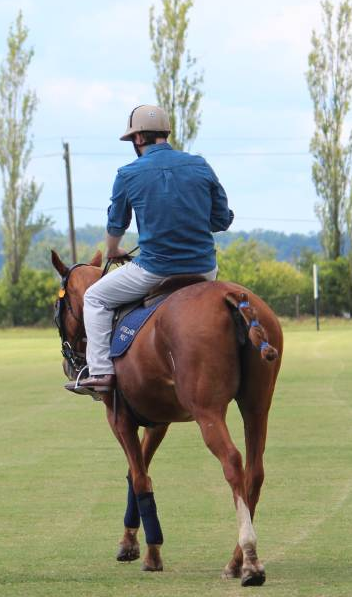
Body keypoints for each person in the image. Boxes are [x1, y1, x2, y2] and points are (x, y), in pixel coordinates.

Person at [66, 104, 233, 396]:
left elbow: (116, 224)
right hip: (204, 269)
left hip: (155, 270)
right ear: (165, 133)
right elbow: (222, 220)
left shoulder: (128, 173)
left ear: (139, 137)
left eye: (133, 139)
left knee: (94, 298)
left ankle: (101, 372)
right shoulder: (200, 165)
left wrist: (114, 250)